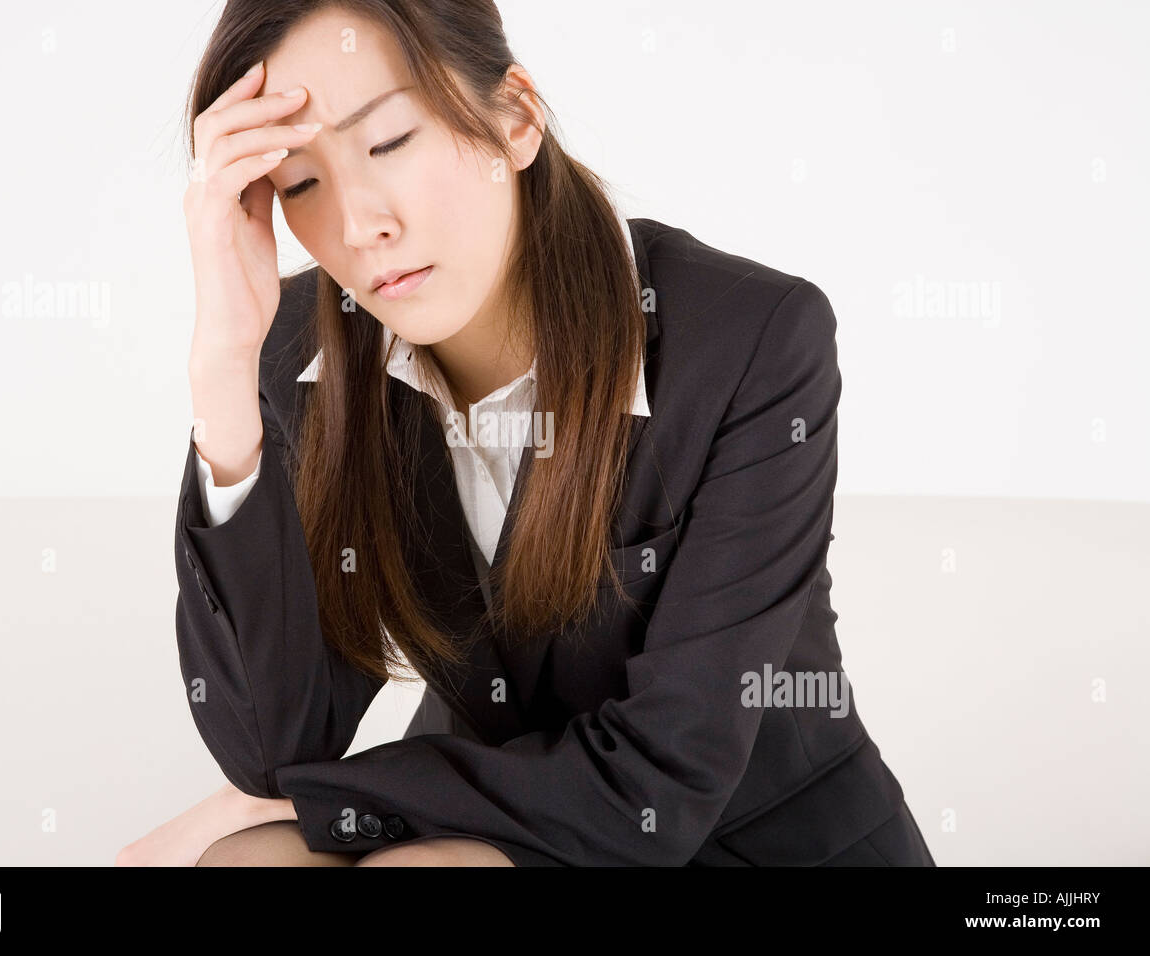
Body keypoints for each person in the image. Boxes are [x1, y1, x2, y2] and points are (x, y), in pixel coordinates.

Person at [116, 0, 935, 867]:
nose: (359, 227)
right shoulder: (302, 355)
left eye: (389, 142)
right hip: (502, 822)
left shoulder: (749, 339)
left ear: (515, 117)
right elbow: (275, 744)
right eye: (301, 185)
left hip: (750, 841)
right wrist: (223, 374)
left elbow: (664, 777)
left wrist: (307, 806)